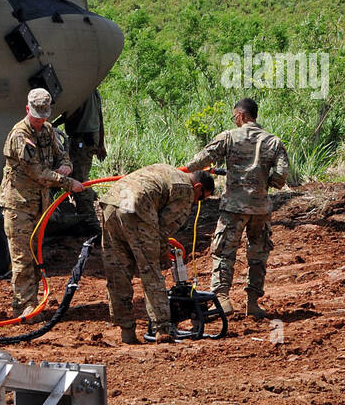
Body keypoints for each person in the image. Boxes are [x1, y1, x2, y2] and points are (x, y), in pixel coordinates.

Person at [183, 98, 291, 319]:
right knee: (258, 255)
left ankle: (222, 299)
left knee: (224, 253)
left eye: (235, 117)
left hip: (233, 207)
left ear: (241, 115)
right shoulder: (273, 141)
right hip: (260, 209)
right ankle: (252, 303)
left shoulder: (229, 136)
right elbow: (281, 175)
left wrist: (183, 171)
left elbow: (202, 159)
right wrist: (266, 183)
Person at [97, 164, 215, 344]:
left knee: (117, 272)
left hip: (111, 204)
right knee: (151, 272)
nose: (196, 203)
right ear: (198, 187)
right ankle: (163, 330)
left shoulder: (168, 171)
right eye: (200, 199)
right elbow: (163, 229)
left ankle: (126, 332)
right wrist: (162, 254)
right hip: (136, 207)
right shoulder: (186, 190)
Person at [0, 88, 85, 321]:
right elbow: (37, 172)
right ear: (28, 110)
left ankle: (32, 303)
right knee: (22, 258)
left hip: (40, 205)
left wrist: (66, 165)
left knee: (36, 255)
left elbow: (62, 153)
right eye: (37, 116)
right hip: (20, 206)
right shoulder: (19, 136)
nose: (40, 121)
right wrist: (68, 182)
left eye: (44, 116)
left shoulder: (48, 130)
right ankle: (23, 308)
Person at [60, 91, 106, 225]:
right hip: (91, 137)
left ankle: (90, 220)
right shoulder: (93, 90)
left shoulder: (80, 91)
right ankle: (89, 201)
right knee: (78, 175)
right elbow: (100, 117)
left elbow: (73, 114)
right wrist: (101, 143)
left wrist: (57, 121)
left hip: (82, 138)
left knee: (78, 178)